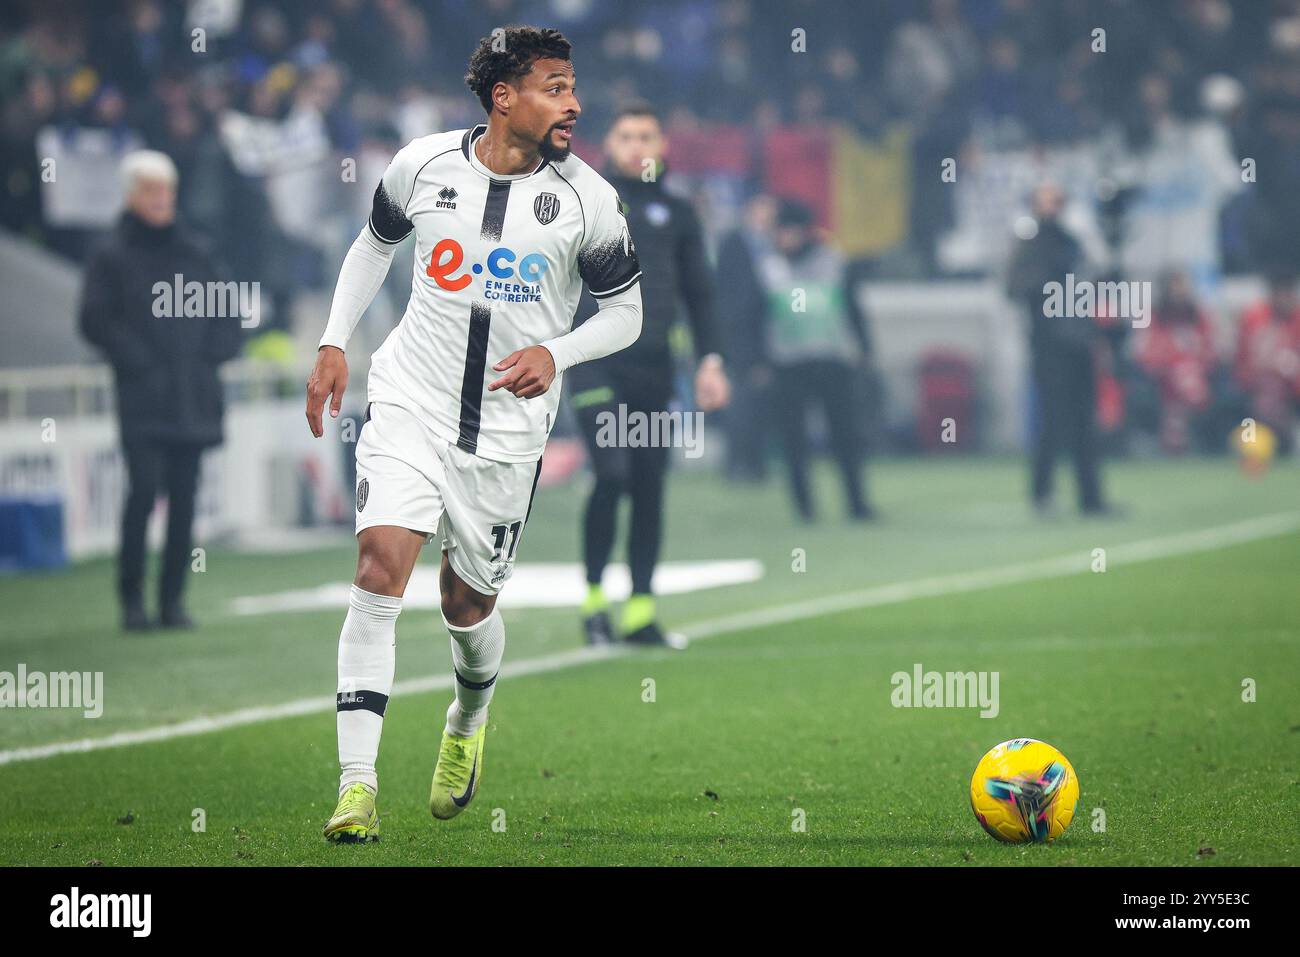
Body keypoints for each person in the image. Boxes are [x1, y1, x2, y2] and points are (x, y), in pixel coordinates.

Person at [304, 27, 642, 842]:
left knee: (467, 604)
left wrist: (555, 353)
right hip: (408, 405)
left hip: (504, 438)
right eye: (556, 87)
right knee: (380, 567)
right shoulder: (422, 164)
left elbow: (627, 314)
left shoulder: (589, 199)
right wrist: (332, 340)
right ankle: (356, 788)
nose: (575, 103)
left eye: (573, 87)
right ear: (505, 97)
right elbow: (372, 246)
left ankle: (467, 715)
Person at [568, 103, 729, 649]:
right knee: (611, 473)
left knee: (648, 485)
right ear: (609, 145)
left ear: (662, 146)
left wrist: (710, 361)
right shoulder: (582, 200)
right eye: (627, 136)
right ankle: (593, 603)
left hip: (654, 369)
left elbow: (701, 296)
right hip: (594, 363)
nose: (638, 146)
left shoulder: (678, 213)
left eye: (647, 136)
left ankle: (639, 612)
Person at [78, 150, 243, 631]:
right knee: (142, 494)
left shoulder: (197, 250)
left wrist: (209, 356)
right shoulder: (111, 255)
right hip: (144, 401)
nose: (161, 200)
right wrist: (141, 364)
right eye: (150, 191)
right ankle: (132, 600)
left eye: (166, 190)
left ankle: (172, 601)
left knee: (186, 502)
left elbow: (227, 317)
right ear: (131, 197)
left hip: (192, 399)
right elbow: (94, 320)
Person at [745, 198, 875, 523]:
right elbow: (753, 318)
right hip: (787, 363)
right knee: (793, 440)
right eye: (781, 232)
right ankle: (805, 509)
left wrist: (864, 348)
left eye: (791, 231)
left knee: (846, 435)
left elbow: (853, 306)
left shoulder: (832, 260)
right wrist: (757, 361)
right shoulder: (767, 267)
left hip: (833, 358)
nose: (785, 238)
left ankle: (857, 504)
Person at [1006, 183, 1113, 516]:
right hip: (1050, 345)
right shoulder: (1031, 244)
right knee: (1052, 421)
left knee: (1084, 422)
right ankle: (1042, 494)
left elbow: (1099, 281)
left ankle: (1091, 497)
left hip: (1079, 342)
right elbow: (1016, 288)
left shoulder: (1076, 242)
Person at [1234, 266, 1300, 455]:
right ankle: (1271, 441)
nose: (1283, 299)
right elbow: (1244, 359)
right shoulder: (1255, 318)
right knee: (1269, 391)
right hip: (1259, 385)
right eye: (1279, 293)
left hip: (1292, 386)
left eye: (1287, 293)